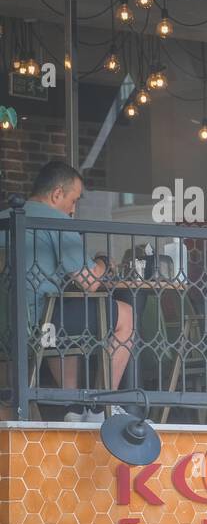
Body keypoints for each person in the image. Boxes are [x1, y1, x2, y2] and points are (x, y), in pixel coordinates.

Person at [24, 161, 135, 422]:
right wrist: (104, 262)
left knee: (66, 312)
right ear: (57, 195)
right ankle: (102, 408)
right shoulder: (54, 220)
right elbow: (89, 281)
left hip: (14, 324)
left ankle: (72, 408)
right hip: (41, 323)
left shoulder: (6, 217)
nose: (73, 210)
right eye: (73, 201)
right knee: (126, 314)